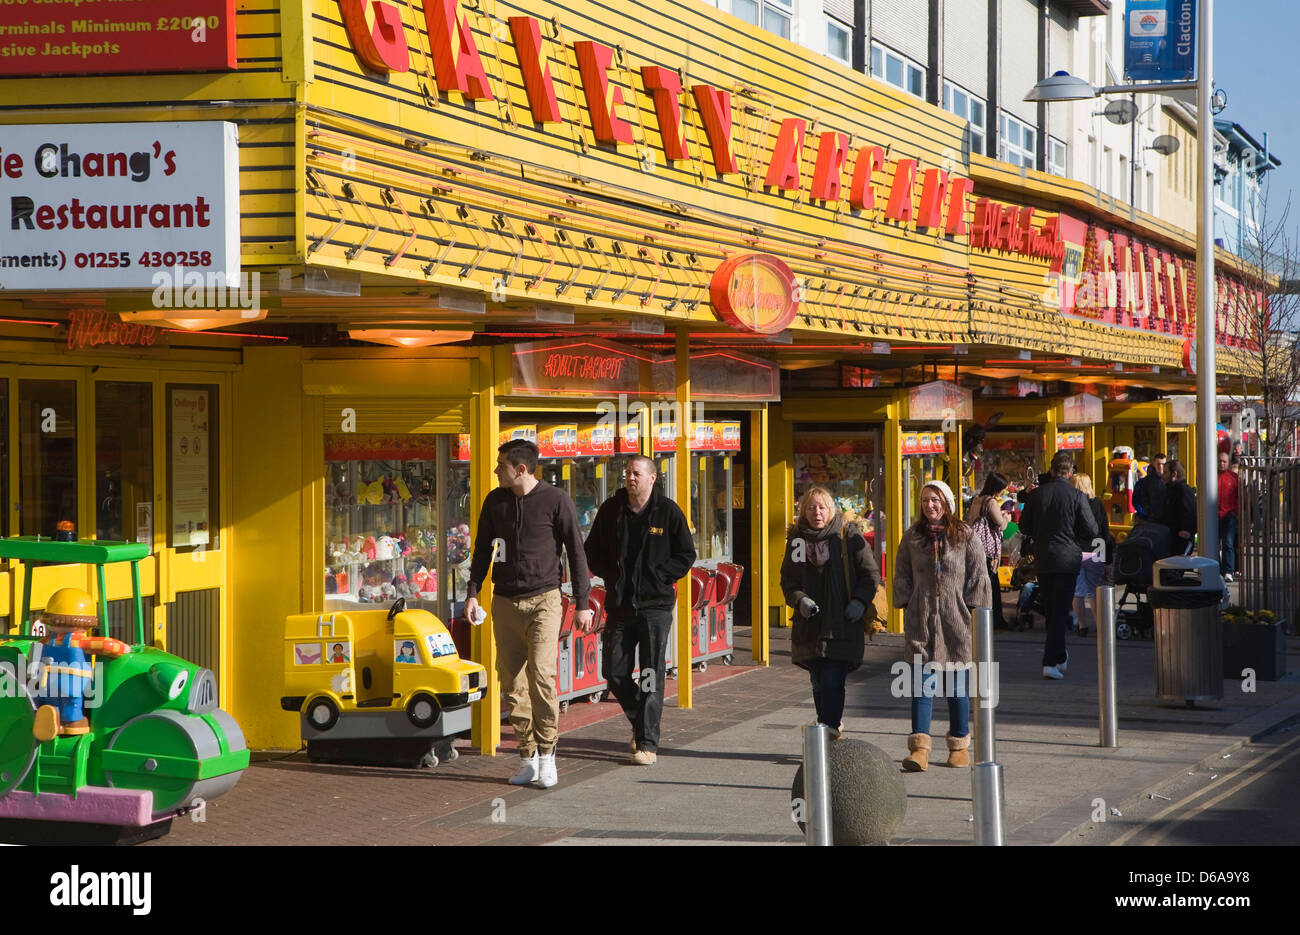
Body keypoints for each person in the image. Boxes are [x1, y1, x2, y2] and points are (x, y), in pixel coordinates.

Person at [465, 439, 593, 789]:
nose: (495, 470)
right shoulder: (495, 501)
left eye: (500, 465)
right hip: (505, 602)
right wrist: (472, 593)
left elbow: (576, 554)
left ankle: (549, 754)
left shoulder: (556, 501)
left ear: (520, 469)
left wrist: (582, 603)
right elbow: (481, 550)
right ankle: (528, 757)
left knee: (540, 674)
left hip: (545, 600)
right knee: (512, 682)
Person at [584, 455, 696, 765]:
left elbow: (686, 554)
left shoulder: (668, 511)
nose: (630, 478)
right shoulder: (612, 510)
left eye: (636, 473)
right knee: (614, 672)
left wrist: (660, 576)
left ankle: (647, 743)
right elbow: (591, 549)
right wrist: (611, 575)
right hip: (620, 604)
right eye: (627, 473)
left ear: (652, 478)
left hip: (655, 607)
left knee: (650, 673)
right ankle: (641, 722)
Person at [893, 480, 990, 771]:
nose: (930, 505)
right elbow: (901, 574)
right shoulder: (911, 537)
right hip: (920, 623)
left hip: (955, 624)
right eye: (925, 500)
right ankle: (919, 749)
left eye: (935, 500)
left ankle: (959, 744)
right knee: (921, 688)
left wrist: (973, 610)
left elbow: (978, 576)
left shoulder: (965, 536)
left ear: (946, 502)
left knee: (956, 689)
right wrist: (908, 603)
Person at [780, 485, 881, 739]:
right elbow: (790, 582)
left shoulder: (846, 536)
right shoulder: (799, 541)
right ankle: (828, 727)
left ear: (831, 509)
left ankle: (828, 730)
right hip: (810, 626)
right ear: (804, 511)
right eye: (811, 507)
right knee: (818, 682)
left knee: (832, 680)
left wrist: (859, 601)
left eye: (822, 507)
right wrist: (800, 600)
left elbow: (870, 574)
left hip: (843, 623)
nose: (817, 512)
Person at [1019, 451, 1099, 680]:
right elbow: (1092, 530)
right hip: (1067, 559)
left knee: (1053, 609)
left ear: (1052, 470)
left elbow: (1024, 526)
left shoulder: (1037, 496)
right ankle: (1051, 661)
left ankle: (1059, 654)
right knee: (1059, 610)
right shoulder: (1077, 496)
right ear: (1070, 472)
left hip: (1044, 558)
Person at [1068, 474, 1113, 638]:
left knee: (1078, 592)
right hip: (1096, 550)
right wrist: (1108, 559)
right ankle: (1101, 626)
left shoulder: (1071, 505)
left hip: (1076, 551)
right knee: (1094, 591)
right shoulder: (1098, 504)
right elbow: (1105, 532)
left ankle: (1082, 626)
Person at [965, 472, 1011, 629]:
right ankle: (995, 619)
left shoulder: (976, 500)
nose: (1004, 492)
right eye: (1002, 489)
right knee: (992, 584)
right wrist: (1006, 518)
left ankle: (978, 617)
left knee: (978, 583)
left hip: (975, 547)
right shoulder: (990, 502)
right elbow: (1001, 524)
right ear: (997, 488)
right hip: (988, 551)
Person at [1159, 459, 1197, 546]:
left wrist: (1187, 531)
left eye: (1165, 473)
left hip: (1179, 537)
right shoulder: (1169, 489)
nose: (1163, 476)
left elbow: (1190, 512)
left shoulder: (1183, 490)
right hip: (1169, 534)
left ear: (1174, 474)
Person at [1218, 451, 1240, 582]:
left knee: (1228, 542)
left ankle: (1228, 570)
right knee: (1214, 543)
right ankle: (1218, 569)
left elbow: (1239, 496)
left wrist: (1235, 512)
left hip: (1229, 514)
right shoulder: (1212, 476)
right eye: (1220, 461)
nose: (1221, 463)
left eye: (1224, 461)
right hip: (1215, 514)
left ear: (1228, 463)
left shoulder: (1233, 478)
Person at [1133, 454, 1167, 523]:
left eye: (1163, 464)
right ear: (1154, 464)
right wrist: (1145, 514)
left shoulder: (1169, 481)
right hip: (1147, 520)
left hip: (1164, 520)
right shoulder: (1143, 482)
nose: (1160, 467)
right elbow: (1135, 501)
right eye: (1158, 464)